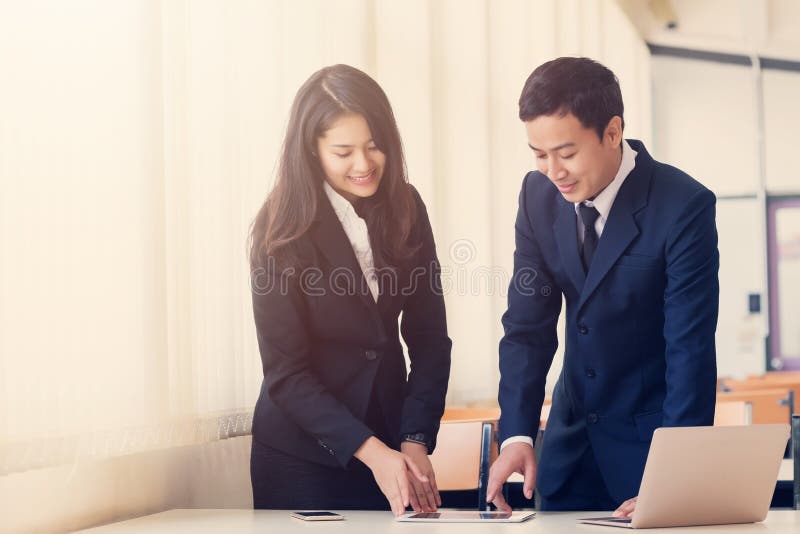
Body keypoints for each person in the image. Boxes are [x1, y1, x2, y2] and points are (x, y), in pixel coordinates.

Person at [486, 57, 719, 516]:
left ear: (613, 132)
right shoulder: (537, 198)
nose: (553, 171)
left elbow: (689, 349)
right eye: (538, 154)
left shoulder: (682, 206)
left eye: (567, 153)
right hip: (569, 452)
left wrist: (673, 476)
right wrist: (516, 433)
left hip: (648, 454)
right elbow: (526, 327)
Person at [248, 64, 451, 516]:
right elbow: (286, 374)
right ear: (312, 150)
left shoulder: (406, 206)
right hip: (301, 457)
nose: (364, 164)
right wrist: (372, 451)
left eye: (374, 145)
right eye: (344, 152)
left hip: (389, 442)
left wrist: (414, 439)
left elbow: (430, 339)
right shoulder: (278, 229)